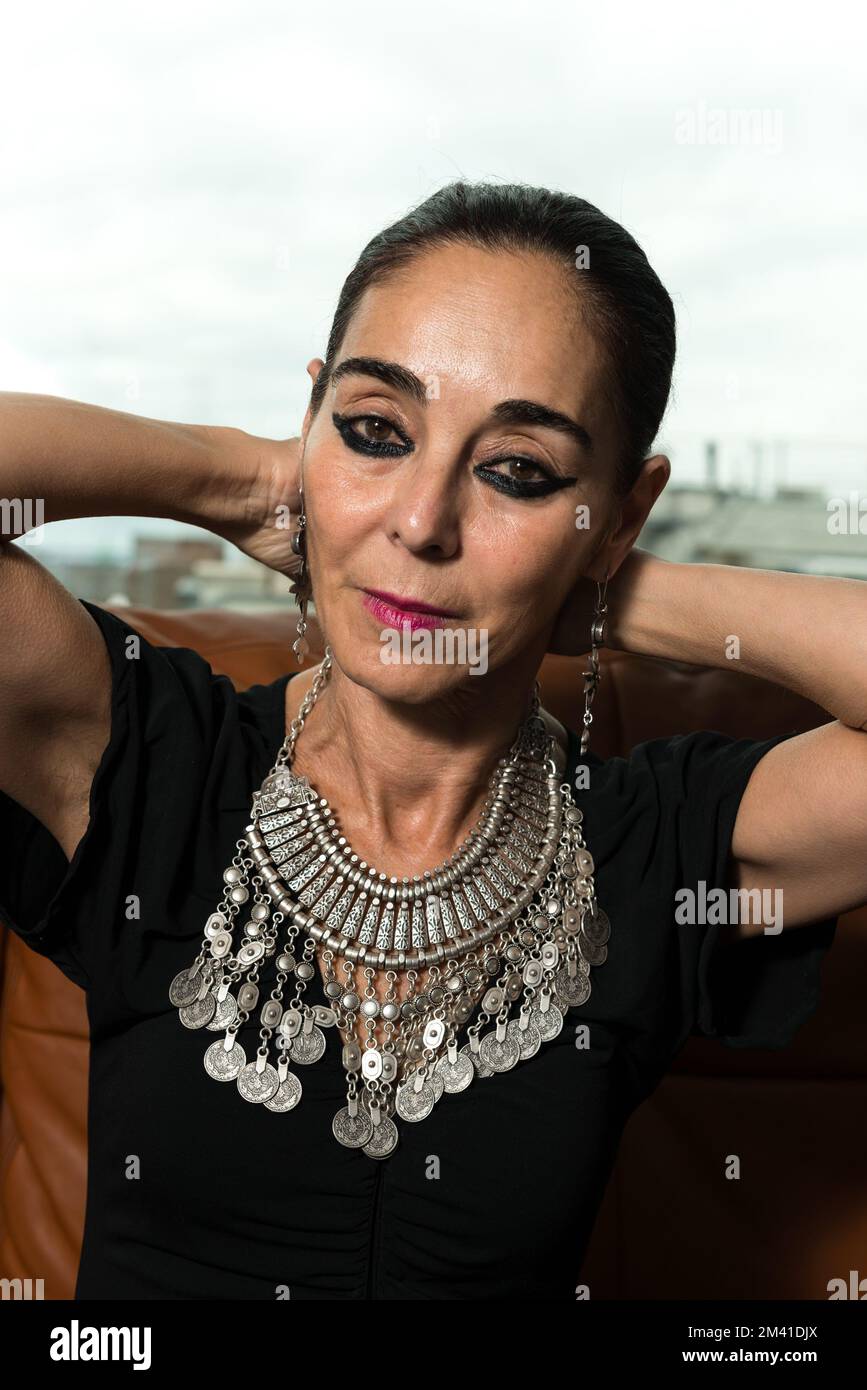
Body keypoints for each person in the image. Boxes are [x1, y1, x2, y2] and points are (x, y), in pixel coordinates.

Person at [0, 180, 863, 1301]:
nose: (419, 522)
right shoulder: (154, 756)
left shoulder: (664, 847)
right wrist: (247, 480)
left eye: (519, 470)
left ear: (625, 508)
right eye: (374, 432)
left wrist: (610, 586)